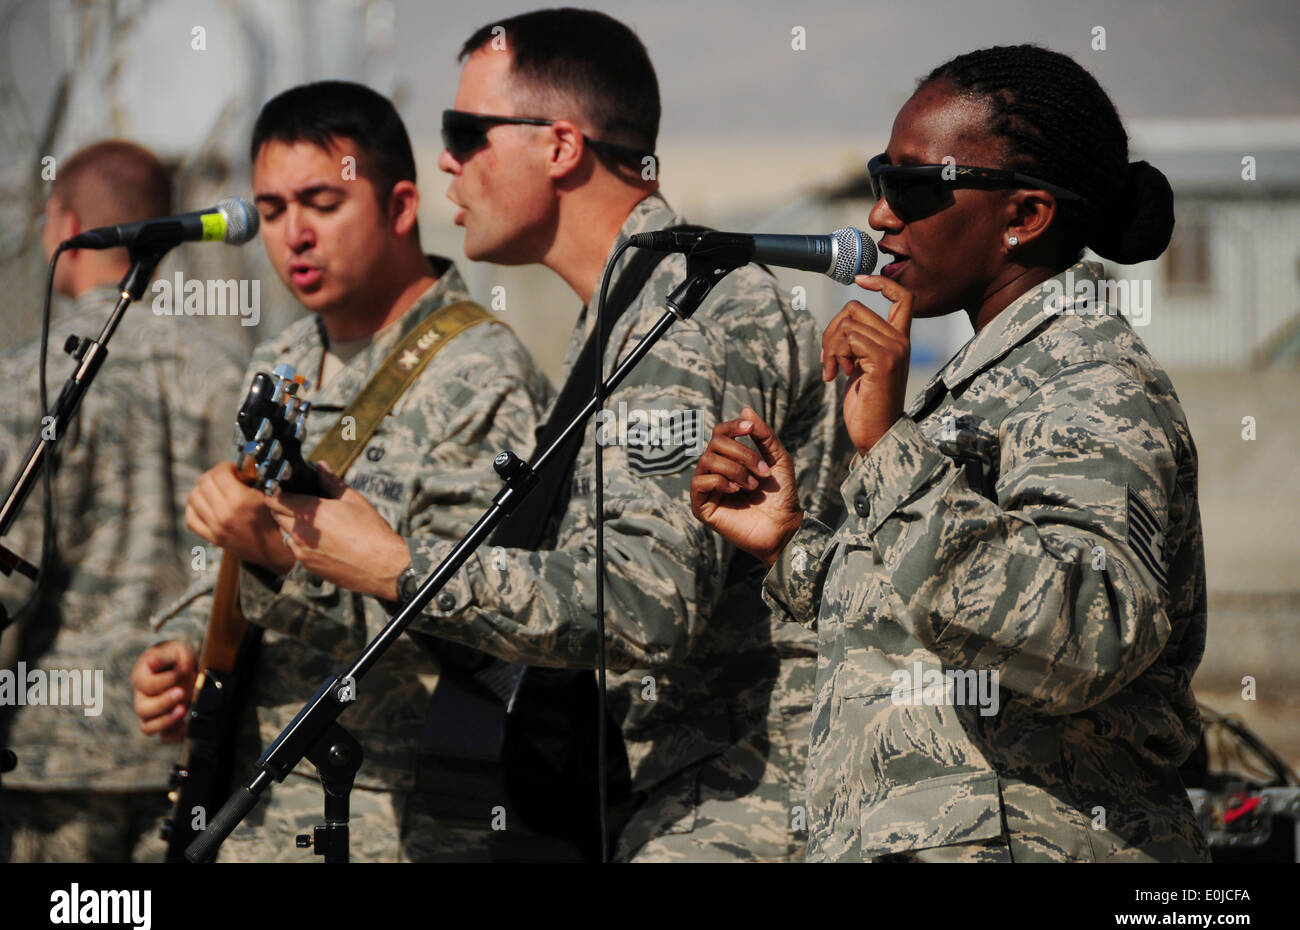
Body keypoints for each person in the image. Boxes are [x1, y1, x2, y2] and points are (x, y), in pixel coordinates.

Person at [264, 9, 850, 862]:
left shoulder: (682, 312)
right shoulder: (623, 311)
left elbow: (647, 602)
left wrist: (401, 565)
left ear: (561, 146)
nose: (447, 165)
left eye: (468, 134)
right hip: (682, 789)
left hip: (748, 798)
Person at [691, 44, 1212, 863]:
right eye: (878, 179)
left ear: (1024, 216)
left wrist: (889, 450)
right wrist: (790, 544)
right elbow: (920, 624)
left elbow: (1088, 634)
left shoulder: (1091, 377)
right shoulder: (980, 383)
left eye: (913, 185)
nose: (880, 216)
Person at [129, 81, 552, 861]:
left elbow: (488, 637)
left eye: (321, 202)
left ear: (397, 206)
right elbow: (235, 565)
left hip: (393, 822)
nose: (294, 234)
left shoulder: (481, 372)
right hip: (252, 808)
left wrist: (283, 556)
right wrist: (190, 645)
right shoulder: (284, 359)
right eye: (275, 207)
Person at [0, 140, 246, 862]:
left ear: (66, 224)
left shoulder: (29, 375)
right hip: (192, 743)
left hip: (53, 758)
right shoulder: (229, 366)